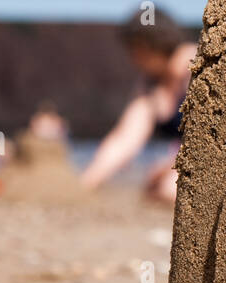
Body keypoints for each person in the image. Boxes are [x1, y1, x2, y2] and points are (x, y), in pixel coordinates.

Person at [81, 10, 197, 203]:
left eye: (134, 50)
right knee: (154, 190)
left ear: (147, 44)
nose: (133, 59)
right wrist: (88, 182)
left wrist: (175, 163)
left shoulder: (196, 64)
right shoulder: (151, 83)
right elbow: (126, 138)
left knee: (170, 189)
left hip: (224, 160)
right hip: (185, 162)